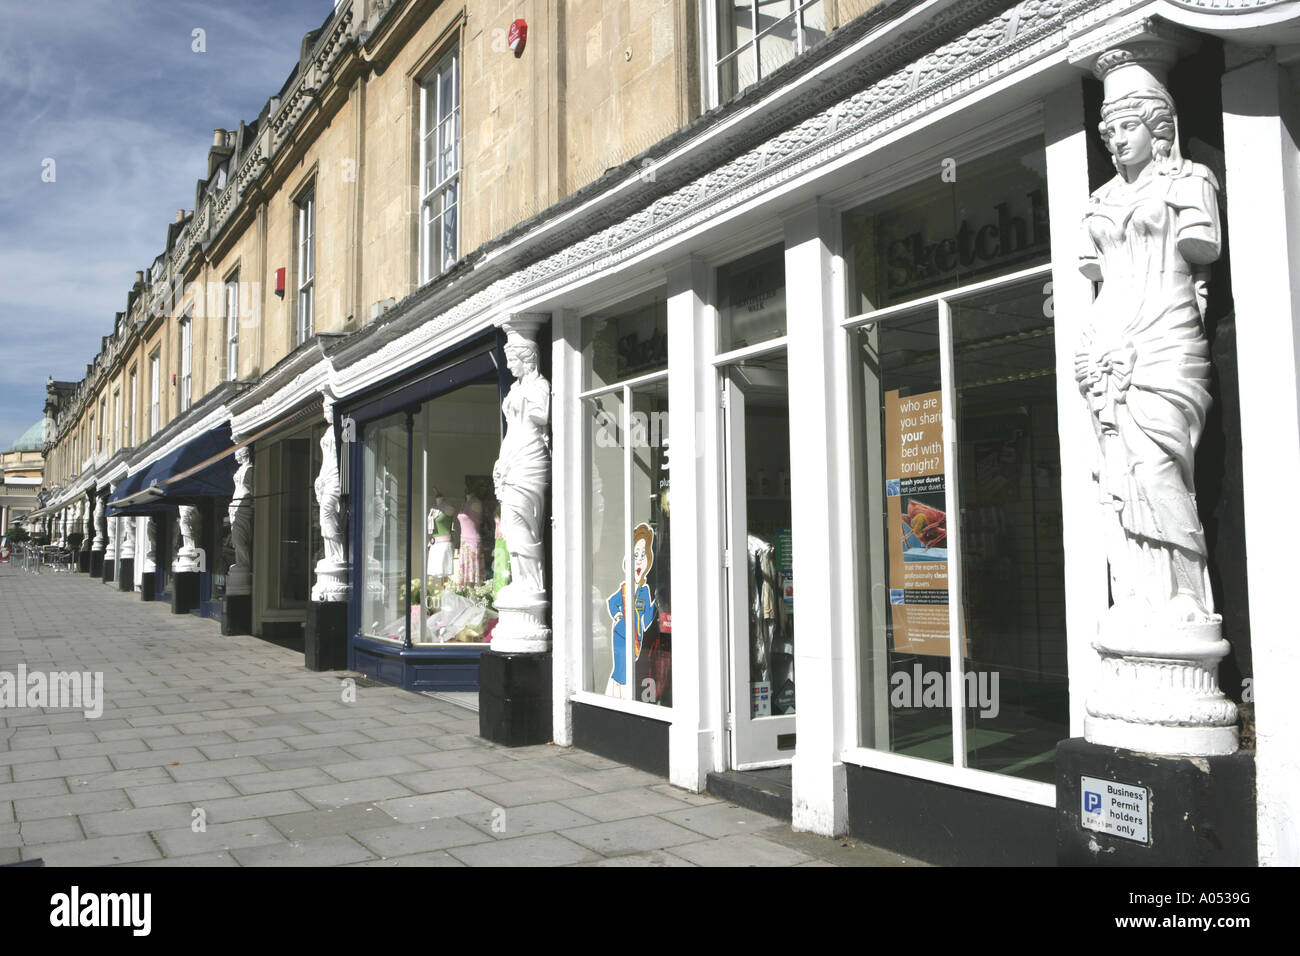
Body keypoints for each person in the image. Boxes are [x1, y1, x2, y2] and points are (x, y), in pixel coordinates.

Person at [1075, 68, 1220, 624]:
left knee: (1160, 467)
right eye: (1109, 130)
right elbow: (1096, 273)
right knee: (1115, 472)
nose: (1116, 140)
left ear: (1158, 128)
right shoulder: (1099, 200)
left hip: (1167, 332)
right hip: (1106, 339)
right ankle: (1135, 591)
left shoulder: (1190, 181)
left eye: (1127, 126)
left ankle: (1189, 591)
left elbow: (1202, 248)